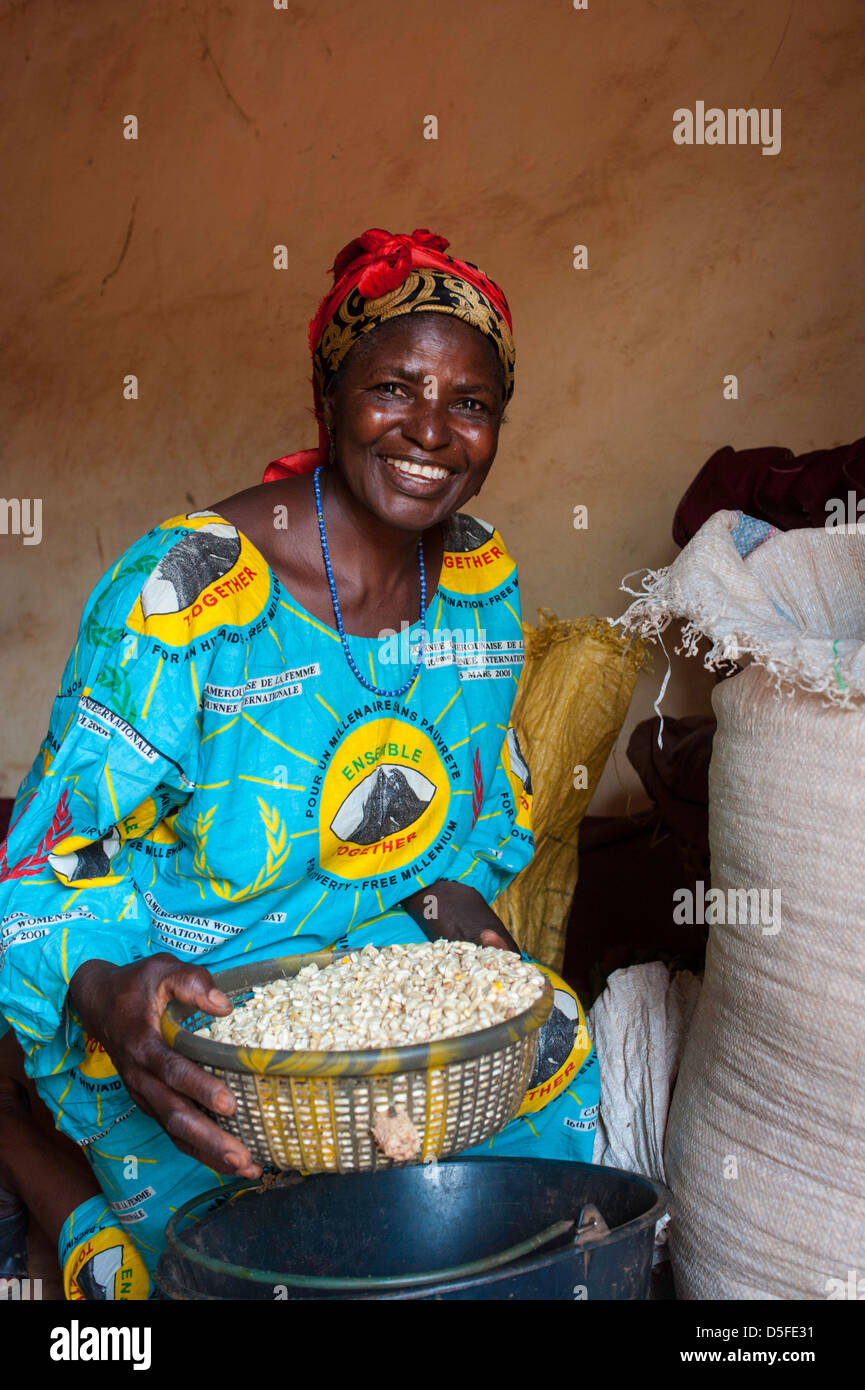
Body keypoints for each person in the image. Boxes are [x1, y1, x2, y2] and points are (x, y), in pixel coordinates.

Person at [0, 227, 599, 1299]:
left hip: (367, 973)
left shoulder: (481, 583)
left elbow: (455, 814)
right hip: (189, 1004)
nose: (431, 431)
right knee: (249, 1260)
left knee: (550, 1065)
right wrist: (105, 990)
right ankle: (58, 1186)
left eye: (470, 403)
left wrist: (450, 907)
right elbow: (50, 852)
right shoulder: (186, 594)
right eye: (393, 389)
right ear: (327, 397)